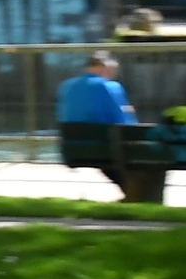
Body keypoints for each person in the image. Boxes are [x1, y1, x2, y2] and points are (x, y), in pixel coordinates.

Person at [57, 51, 140, 191]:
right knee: (137, 151)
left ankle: (132, 193)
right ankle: (135, 193)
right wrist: (128, 112)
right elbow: (125, 124)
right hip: (108, 149)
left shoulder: (66, 86)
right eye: (114, 69)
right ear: (106, 67)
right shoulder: (110, 87)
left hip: (73, 148)